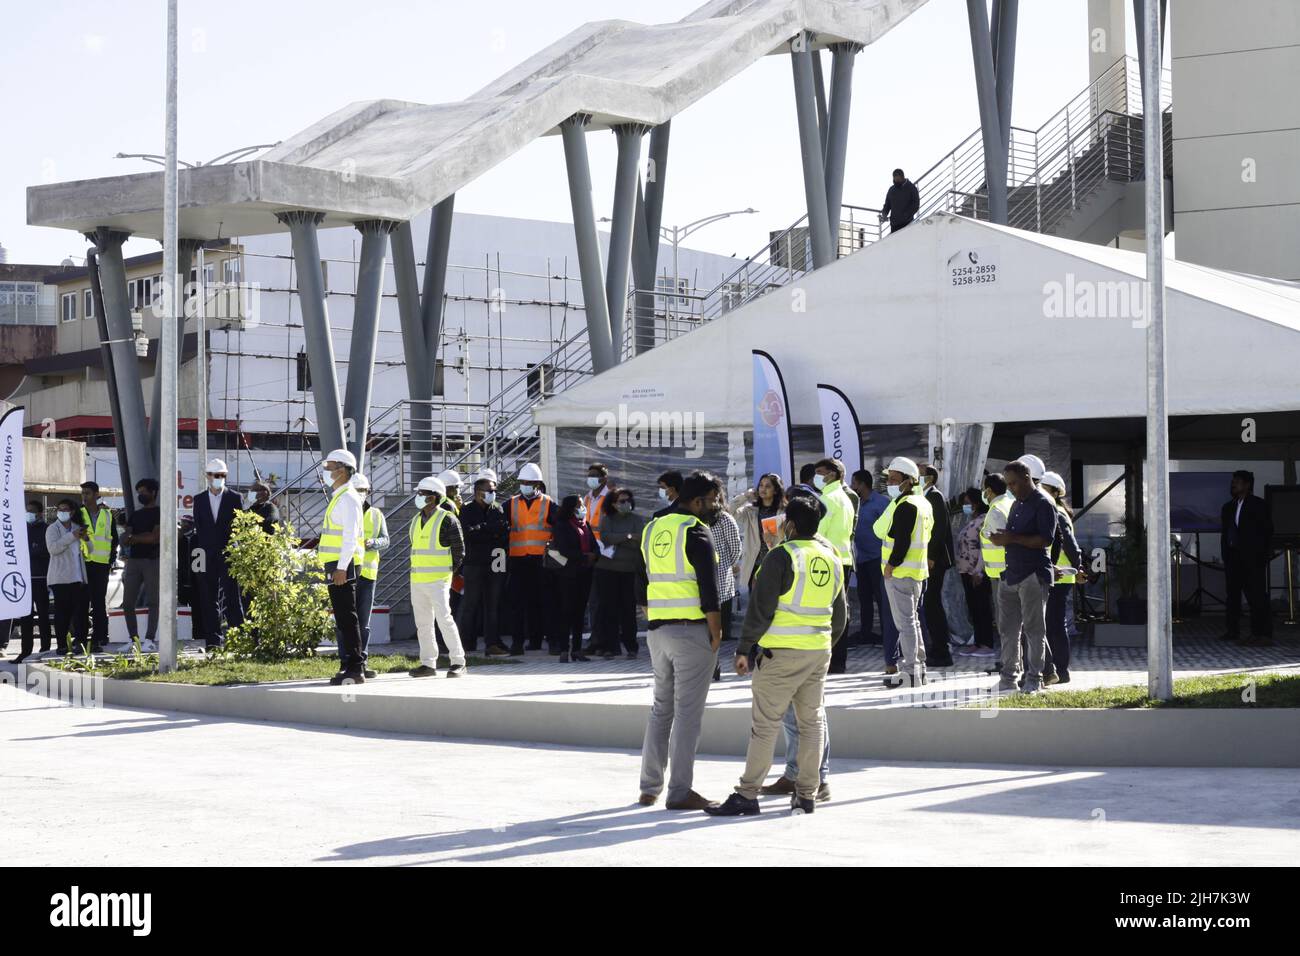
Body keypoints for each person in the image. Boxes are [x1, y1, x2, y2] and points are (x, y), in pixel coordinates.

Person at [706, 496, 846, 817]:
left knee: (765, 726)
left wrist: (743, 649)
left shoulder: (781, 556)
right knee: (812, 723)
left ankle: (747, 794)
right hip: (818, 652)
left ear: (791, 525)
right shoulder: (831, 556)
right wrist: (823, 645)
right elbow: (840, 617)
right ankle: (806, 794)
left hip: (780, 655)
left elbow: (760, 608)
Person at [636, 471, 724, 811]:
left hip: (658, 631)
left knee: (661, 709)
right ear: (697, 500)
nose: (715, 507)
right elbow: (708, 587)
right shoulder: (695, 530)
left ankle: (649, 788)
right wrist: (716, 633)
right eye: (713, 501)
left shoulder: (652, 528)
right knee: (688, 715)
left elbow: (639, 578)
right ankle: (680, 791)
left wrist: (652, 616)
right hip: (691, 631)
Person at [989, 461, 1057, 694]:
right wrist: (1003, 538)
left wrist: (1011, 539)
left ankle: (1034, 679)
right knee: (1008, 630)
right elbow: (1014, 535)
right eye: (1008, 484)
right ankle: (1008, 678)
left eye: (1014, 483)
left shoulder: (1043, 503)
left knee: (1034, 631)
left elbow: (1046, 540)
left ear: (1027, 477)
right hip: (1011, 575)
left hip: (1032, 575)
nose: (1011, 488)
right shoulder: (1017, 502)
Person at [873, 457, 933, 688]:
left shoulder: (905, 505)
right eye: (889, 479)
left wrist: (891, 566)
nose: (890, 483)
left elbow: (902, 541)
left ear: (909, 481)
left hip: (900, 573)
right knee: (913, 623)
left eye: (895, 479)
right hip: (916, 573)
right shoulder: (922, 502)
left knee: (905, 625)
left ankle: (910, 673)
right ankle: (919, 670)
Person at [315, 450, 367, 684]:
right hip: (336, 564)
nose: (326, 471)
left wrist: (342, 568)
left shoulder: (348, 498)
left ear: (343, 470)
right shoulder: (340, 496)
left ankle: (356, 668)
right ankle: (349, 664)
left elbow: (349, 538)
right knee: (343, 617)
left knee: (348, 616)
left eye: (331, 466)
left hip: (341, 565)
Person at [408, 475, 468, 678]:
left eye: (421, 493)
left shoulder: (448, 519)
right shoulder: (416, 520)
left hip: (439, 580)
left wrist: (448, 572)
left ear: (433, 497)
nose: (417, 497)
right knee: (423, 624)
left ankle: (458, 661)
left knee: (444, 620)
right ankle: (428, 664)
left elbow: (459, 551)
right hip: (417, 580)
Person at [191, 458, 244, 649]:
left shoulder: (235, 498)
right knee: (208, 597)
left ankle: (238, 639)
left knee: (232, 597)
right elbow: (199, 528)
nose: (218, 478)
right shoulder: (199, 500)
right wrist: (199, 558)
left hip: (229, 553)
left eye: (221, 475)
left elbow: (239, 526)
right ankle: (213, 641)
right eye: (215, 475)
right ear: (208, 476)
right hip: (206, 554)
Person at [456, 473, 511, 657]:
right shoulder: (467, 510)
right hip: (474, 563)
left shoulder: (498, 509)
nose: (493, 494)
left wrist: (483, 529)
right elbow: (468, 534)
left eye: (494, 490)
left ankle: (492, 644)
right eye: (490, 490)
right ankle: (462, 644)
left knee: (493, 605)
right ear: (478, 493)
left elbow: (503, 532)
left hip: (495, 562)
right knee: (470, 603)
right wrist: (489, 530)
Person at [506, 463, 555, 655]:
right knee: (518, 603)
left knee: (546, 602)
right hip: (518, 560)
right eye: (523, 482)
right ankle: (518, 643)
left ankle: (551, 642)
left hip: (541, 560)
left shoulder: (548, 503)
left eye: (529, 482)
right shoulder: (510, 503)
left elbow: (558, 527)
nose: (525, 485)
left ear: (537, 484)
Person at [1221, 470, 1274, 646]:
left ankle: (1262, 633)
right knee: (1233, 596)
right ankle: (1232, 631)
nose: (1233, 484)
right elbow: (1226, 533)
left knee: (1256, 596)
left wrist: (1263, 555)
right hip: (1233, 559)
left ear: (1247, 485)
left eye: (1237, 481)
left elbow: (1267, 532)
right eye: (1233, 481)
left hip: (1253, 559)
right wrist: (1226, 556)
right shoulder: (1228, 507)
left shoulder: (1259, 505)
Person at [1040, 472, 1084, 684]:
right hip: (1054, 575)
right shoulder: (1052, 509)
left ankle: (1062, 671)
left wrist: (1079, 567)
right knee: (1052, 625)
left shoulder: (1056, 512)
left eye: (1044, 487)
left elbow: (1069, 543)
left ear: (1055, 492)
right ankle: (1056, 669)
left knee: (1055, 625)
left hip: (1060, 576)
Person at [813, 458, 855, 674]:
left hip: (828, 560)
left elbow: (817, 533)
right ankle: (838, 660)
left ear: (833, 474)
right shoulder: (843, 497)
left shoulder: (828, 499)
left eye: (820, 472)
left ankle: (832, 659)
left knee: (829, 613)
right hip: (843, 559)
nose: (817, 477)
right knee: (840, 611)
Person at [593, 488, 644, 658]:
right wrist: (629, 537)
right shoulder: (607, 519)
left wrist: (621, 538)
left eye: (628, 500)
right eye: (621, 501)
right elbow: (606, 538)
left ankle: (631, 646)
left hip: (629, 571)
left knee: (628, 610)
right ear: (613, 504)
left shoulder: (637, 519)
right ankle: (610, 646)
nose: (626, 504)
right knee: (609, 609)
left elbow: (640, 541)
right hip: (607, 570)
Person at [548, 494, 598, 662]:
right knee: (567, 611)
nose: (582, 507)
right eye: (579, 505)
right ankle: (564, 649)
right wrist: (584, 557)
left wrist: (594, 556)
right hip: (568, 574)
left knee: (579, 613)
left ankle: (577, 649)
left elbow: (594, 545)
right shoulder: (561, 525)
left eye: (582, 505)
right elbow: (564, 549)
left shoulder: (585, 525)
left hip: (585, 573)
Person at [352, 473, 390, 670]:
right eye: (357, 490)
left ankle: (363, 661)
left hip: (368, 575)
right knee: (349, 621)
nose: (360, 494)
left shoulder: (376, 514)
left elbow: (385, 539)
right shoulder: (346, 511)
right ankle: (349, 661)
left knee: (363, 622)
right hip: (348, 573)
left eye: (363, 490)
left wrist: (373, 543)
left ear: (368, 492)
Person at [954, 487, 997, 657]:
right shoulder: (972, 520)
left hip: (977, 573)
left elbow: (984, 548)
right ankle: (978, 642)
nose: (965, 506)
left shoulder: (983, 521)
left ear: (977, 503)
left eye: (967, 503)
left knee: (982, 607)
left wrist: (979, 572)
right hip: (966, 571)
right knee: (974, 608)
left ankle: (986, 643)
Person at [850, 469, 890, 647]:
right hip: (861, 559)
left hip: (877, 558)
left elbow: (890, 531)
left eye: (854, 483)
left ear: (862, 484)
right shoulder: (854, 504)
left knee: (881, 597)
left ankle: (886, 634)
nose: (852, 487)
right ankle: (866, 633)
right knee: (864, 597)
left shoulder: (881, 503)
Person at [920, 465, 956, 667]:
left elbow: (938, 529)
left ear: (930, 478)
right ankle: (937, 647)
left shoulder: (934, 496)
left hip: (935, 560)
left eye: (921, 473)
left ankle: (942, 651)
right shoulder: (924, 496)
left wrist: (931, 556)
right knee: (930, 604)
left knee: (933, 604)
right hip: (928, 559)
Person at [120, 478, 161, 652]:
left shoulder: (159, 512)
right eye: (139, 492)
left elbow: (154, 538)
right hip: (134, 561)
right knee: (128, 602)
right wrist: (140, 537)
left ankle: (150, 639)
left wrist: (134, 538)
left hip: (152, 560)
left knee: (153, 601)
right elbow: (123, 539)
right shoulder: (135, 515)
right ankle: (133, 639)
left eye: (144, 491)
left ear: (153, 493)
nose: (140, 495)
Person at [77, 481, 117, 651]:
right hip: (82, 564)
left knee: (98, 603)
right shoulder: (78, 514)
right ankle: (80, 639)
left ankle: (99, 638)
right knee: (80, 603)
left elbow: (113, 539)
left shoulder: (107, 515)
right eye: (83, 493)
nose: (84, 497)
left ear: (96, 494)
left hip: (101, 565)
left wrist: (110, 560)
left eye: (87, 493)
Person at [730, 473, 785, 593]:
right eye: (761, 485)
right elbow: (729, 511)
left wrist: (773, 539)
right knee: (755, 602)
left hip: (775, 564)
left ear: (775, 491)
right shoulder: (750, 510)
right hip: (754, 564)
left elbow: (788, 538)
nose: (763, 489)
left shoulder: (783, 511)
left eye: (767, 486)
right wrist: (745, 496)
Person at [46, 499, 87, 656]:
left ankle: (80, 643)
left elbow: (86, 550)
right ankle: (62, 645)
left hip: (76, 577)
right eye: (59, 509)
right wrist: (71, 536)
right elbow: (53, 549)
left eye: (65, 509)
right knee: (62, 613)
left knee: (79, 613)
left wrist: (86, 540)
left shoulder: (77, 528)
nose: (62, 512)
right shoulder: (52, 529)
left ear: (72, 512)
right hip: (59, 578)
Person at [708, 496, 743, 681]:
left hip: (720, 582)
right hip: (697, 581)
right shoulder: (694, 518)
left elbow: (736, 548)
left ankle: (714, 665)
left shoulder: (724, 519)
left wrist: (724, 566)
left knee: (715, 628)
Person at [15, 501, 53, 663]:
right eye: (27, 511)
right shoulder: (22, 528)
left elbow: (45, 550)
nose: (28, 514)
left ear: (39, 513)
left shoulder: (46, 529)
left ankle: (44, 649)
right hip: (24, 579)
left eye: (31, 511)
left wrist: (29, 551)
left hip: (41, 578)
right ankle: (25, 651)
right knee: (26, 617)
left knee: (43, 615)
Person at [880, 168, 920, 232]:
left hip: (907, 223)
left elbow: (916, 205)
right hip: (894, 224)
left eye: (898, 179)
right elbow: (887, 205)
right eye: (895, 179)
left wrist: (906, 216)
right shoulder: (891, 189)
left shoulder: (911, 188)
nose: (896, 181)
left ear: (903, 177)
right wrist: (884, 214)